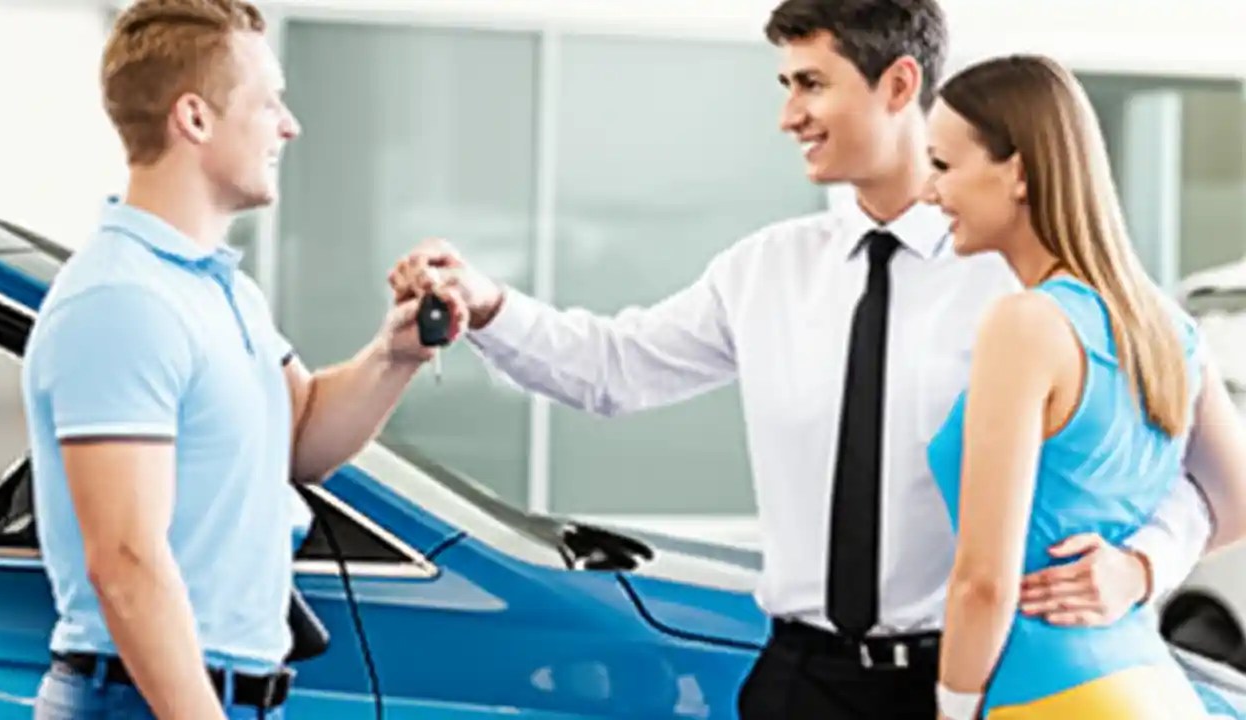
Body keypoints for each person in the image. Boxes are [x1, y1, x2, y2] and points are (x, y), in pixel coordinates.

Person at [390, 1, 1216, 717]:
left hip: (980, 675)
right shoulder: (767, 268)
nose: (790, 116)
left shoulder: (1030, 282)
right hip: (801, 682)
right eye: (785, 86)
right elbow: (615, 367)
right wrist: (493, 306)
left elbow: (1194, 473)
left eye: (812, 84)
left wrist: (1144, 566)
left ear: (898, 85)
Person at [20, 1, 462, 718]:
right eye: (269, 103)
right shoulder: (121, 301)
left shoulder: (218, 289)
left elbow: (301, 437)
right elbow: (127, 563)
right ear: (194, 118)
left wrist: (396, 353)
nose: (289, 125)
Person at [921, 54, 1246, 720]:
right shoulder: (1168, 329)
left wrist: (954, 708)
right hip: (1150, 685)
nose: (929, 192)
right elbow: (1237, 500)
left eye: (944, 166)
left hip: (1050, 691)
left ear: (1016, 171)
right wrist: (1143, 566)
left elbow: (983, 583)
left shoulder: (1026, 324)